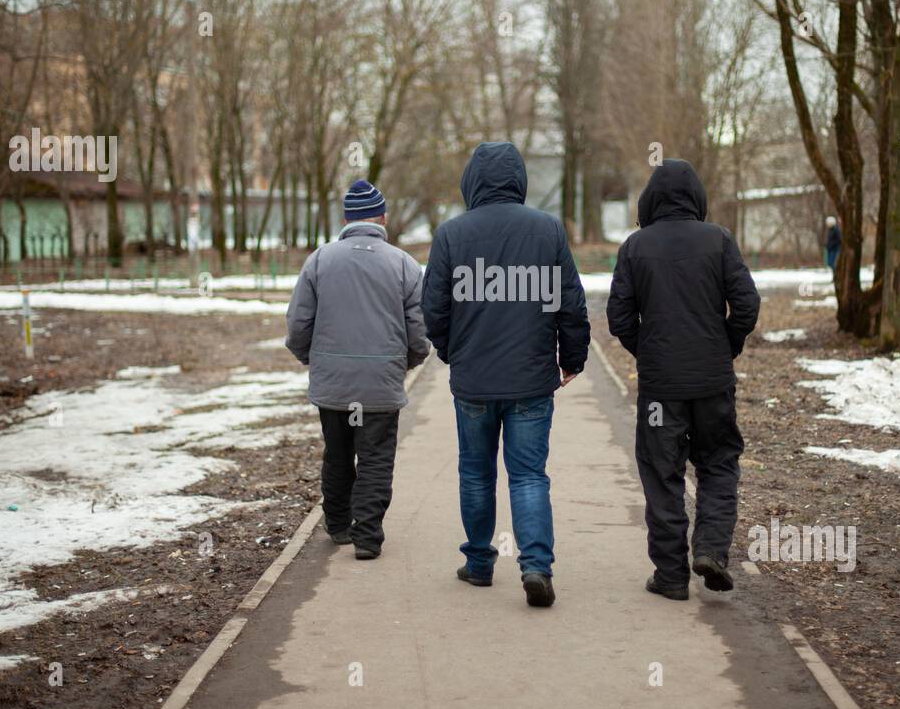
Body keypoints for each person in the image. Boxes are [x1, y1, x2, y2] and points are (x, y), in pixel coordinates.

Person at [421, 141, 590, 608]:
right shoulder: (547, 230)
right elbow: (570, 304)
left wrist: (451, 351)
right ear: (519, 181)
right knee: (529, 475)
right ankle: (535, 566)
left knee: (475, 473)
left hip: (474, 379)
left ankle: (479, 564)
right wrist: (572, 358)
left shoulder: (451, 235)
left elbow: (432, 309)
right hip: (532, 379)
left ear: (471, 182)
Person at [606, 159, 760, 600]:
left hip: (660, 391)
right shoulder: (719, 241)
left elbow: (619, 317)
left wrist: (649, 351)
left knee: (662, 473)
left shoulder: (636, 247)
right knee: (718, 463)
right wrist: (724, 346)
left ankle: (671, 576)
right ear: (696, 198)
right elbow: (747, 304)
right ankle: (711, 549)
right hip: (712, 383)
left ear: (650, 200)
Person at [286, 180, 429, 560]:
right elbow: (418, 332)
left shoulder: (319, 260)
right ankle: (367, 535)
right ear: (382, 217)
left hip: (334, 384)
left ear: (345, 218)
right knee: (376, 457)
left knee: (338, 452)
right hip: (380, 383)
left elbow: (299, 324)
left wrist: (312, 360)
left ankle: (337, 524)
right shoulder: (404, 264)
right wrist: (406, 363)